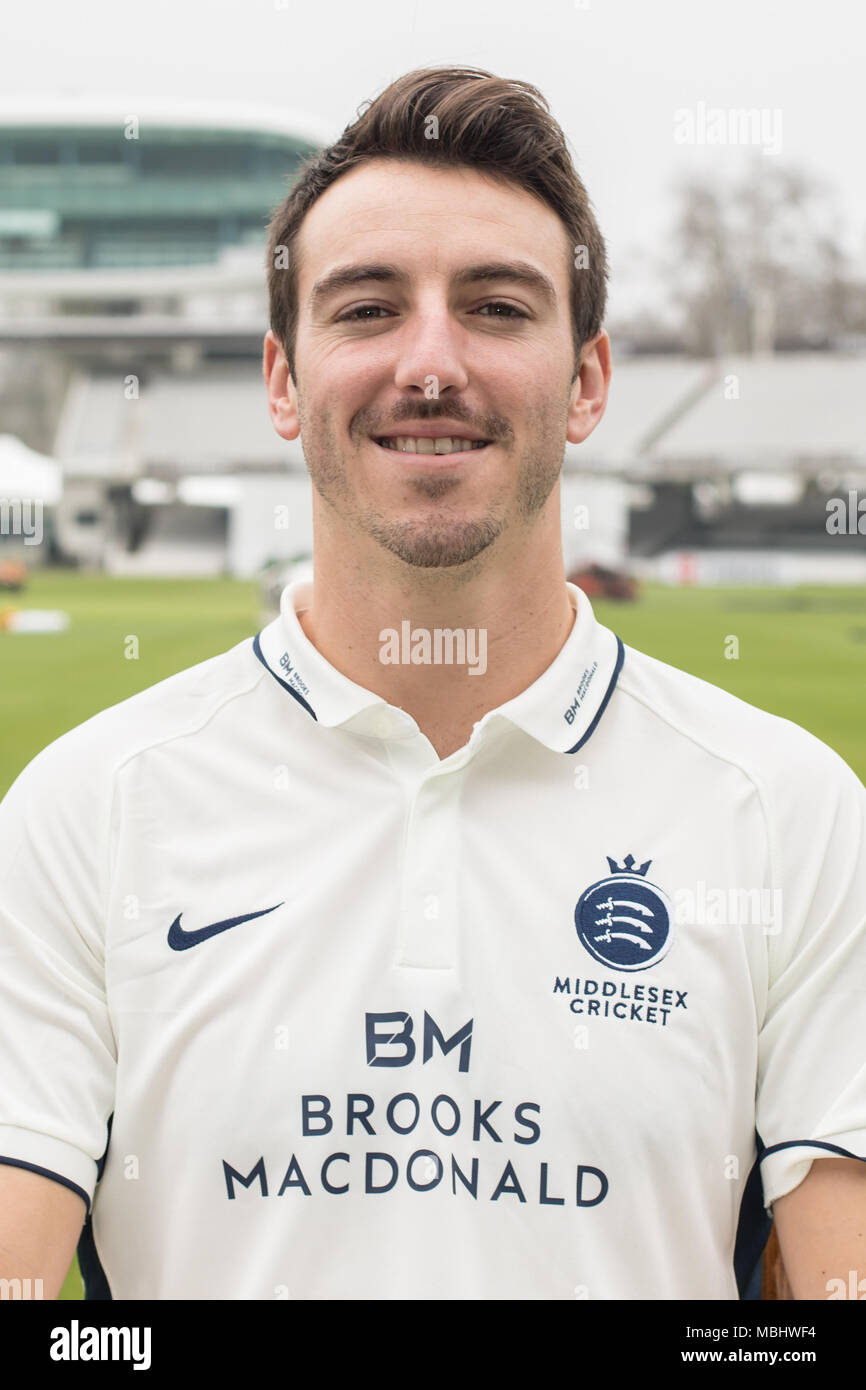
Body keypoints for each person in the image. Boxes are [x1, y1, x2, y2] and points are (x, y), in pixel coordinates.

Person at [1, 65, 864, 1301]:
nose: (430, 363)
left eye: (497, 308)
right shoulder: (84, 809)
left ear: (586, 381)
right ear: (282, 382)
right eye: (365, 308)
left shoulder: (787, 812)